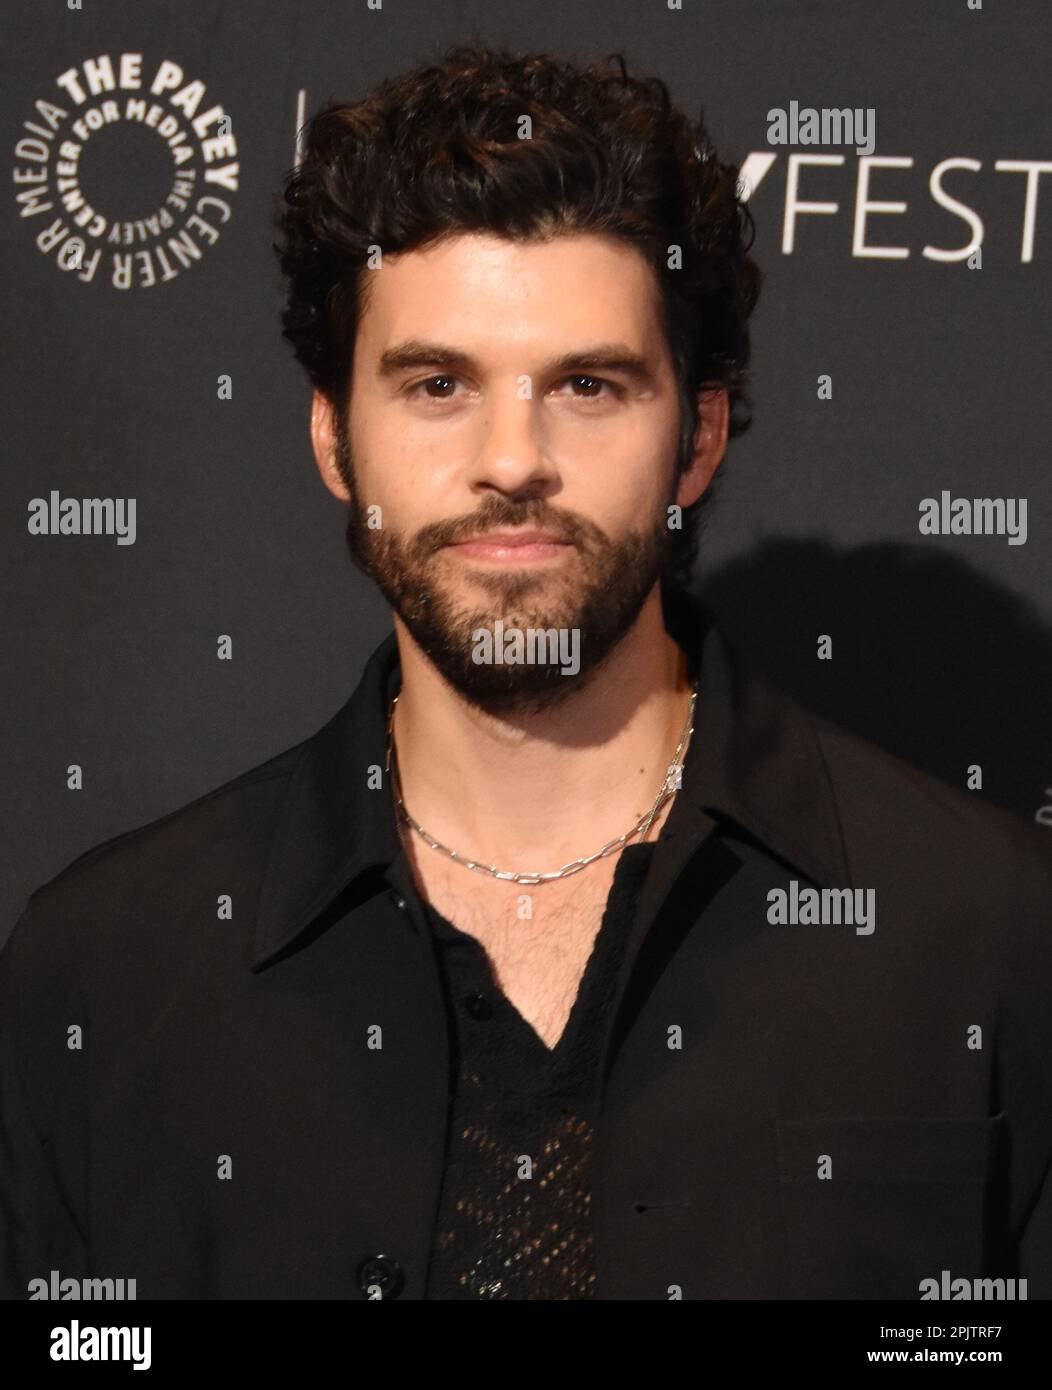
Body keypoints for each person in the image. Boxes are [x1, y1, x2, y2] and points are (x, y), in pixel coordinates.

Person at [2, 44, 1050, 1302]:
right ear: (335, 436)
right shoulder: (111, 966)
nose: (513, 460)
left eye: (589, 385)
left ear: (696, 437)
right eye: (437, 384)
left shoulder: (989, 934)